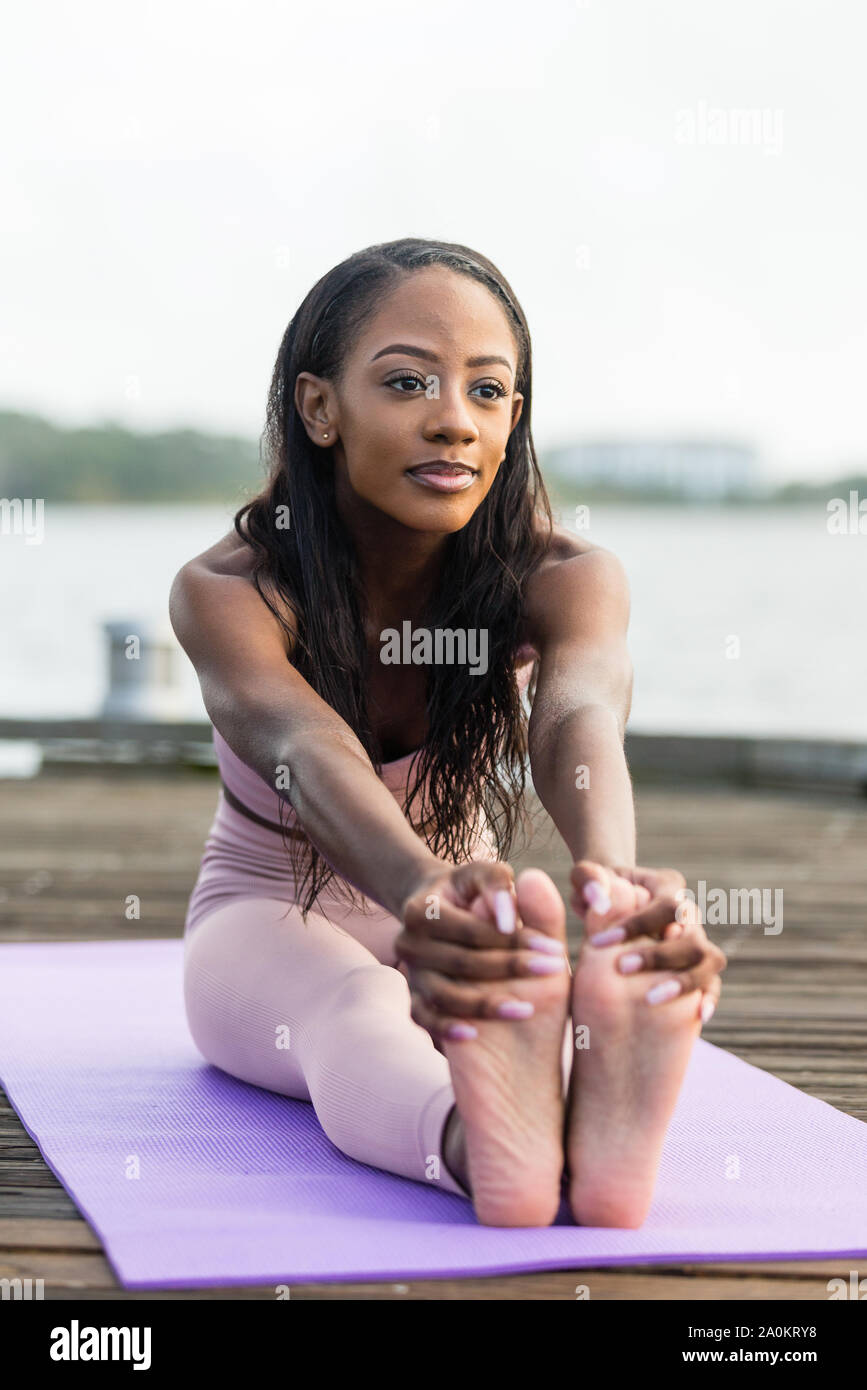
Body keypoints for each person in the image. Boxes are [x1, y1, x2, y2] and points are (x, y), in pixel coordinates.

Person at [169, 237, 726, 1229]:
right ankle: (487, 1148)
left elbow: (575, 714)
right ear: (319, 408)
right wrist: (420, 894)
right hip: (267, 916)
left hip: (467, 906)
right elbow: (300, 746)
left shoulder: (563, 576)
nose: (453, 420)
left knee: (519, 993)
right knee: (356, 1011)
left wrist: (614, 884)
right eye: (408, 381)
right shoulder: (232, 590)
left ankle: (583, 1124)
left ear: (514, 418)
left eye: (488, 390)